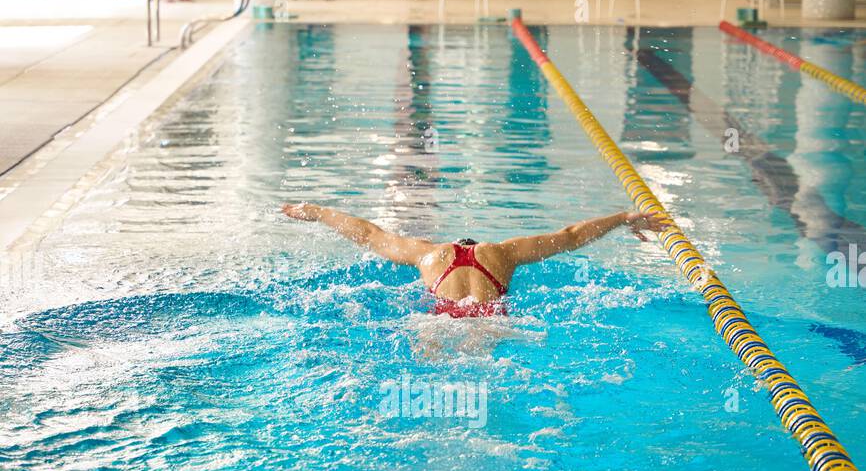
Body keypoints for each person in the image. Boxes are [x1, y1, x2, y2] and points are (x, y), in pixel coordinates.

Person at [281, 203, 663, 317]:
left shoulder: (428, 255)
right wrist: (623, 217)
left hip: (439, 320)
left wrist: (315, 211)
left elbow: (368, 234)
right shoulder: (502, 253)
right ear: (479, 244)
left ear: (448, 245)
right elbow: (571, 236)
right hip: (490, 318)